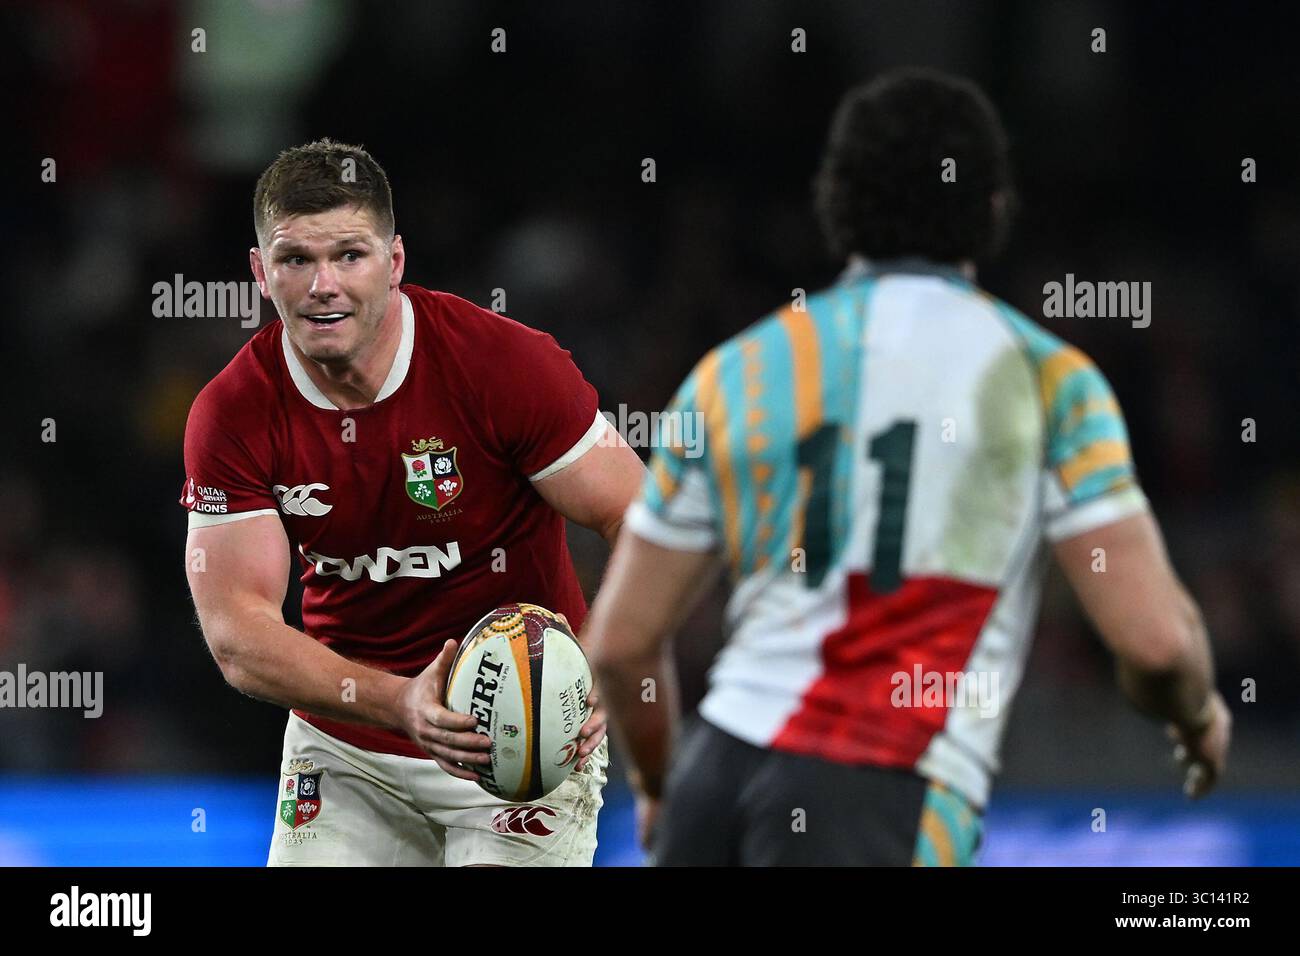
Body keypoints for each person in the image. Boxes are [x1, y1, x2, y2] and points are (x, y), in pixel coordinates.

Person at [583, 69, 1231, 866]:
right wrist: (1197, 718)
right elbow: (1157, 646)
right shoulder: (1047, 378)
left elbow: (619, 645)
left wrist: (657, 784)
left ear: (833, 203)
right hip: (886, 789)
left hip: (715, 784)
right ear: (994, 208)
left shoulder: (739, 371)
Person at [181, 139, 644, 866]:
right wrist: (400, 703)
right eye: (295, 259)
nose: (322, 285)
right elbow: (237, 634)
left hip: (520, 744)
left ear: (394, 262)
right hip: (347, 746)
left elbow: (642, 518)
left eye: (350, 255)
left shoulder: (503, 366)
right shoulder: (232, 414)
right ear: (259, 273)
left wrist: (614, 661)